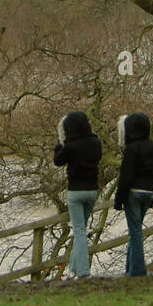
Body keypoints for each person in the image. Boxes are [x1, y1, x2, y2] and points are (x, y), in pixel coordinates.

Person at [54, 111, 102, 279]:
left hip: (76, 191)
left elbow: (58, 160)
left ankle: (83, 272)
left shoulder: (71, 146)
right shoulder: (96, 142)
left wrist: (60, 142)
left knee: (79, 231)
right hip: (92, 191)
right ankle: (73, 270)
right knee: (81, 231)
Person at [114, 113, 153, 276]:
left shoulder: (132, 149)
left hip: (134, 192)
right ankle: (130, 268)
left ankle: (137, 271)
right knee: (136, 230)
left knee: (135, 232)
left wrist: (119, 199)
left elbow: (126, 176)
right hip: (148, 191)